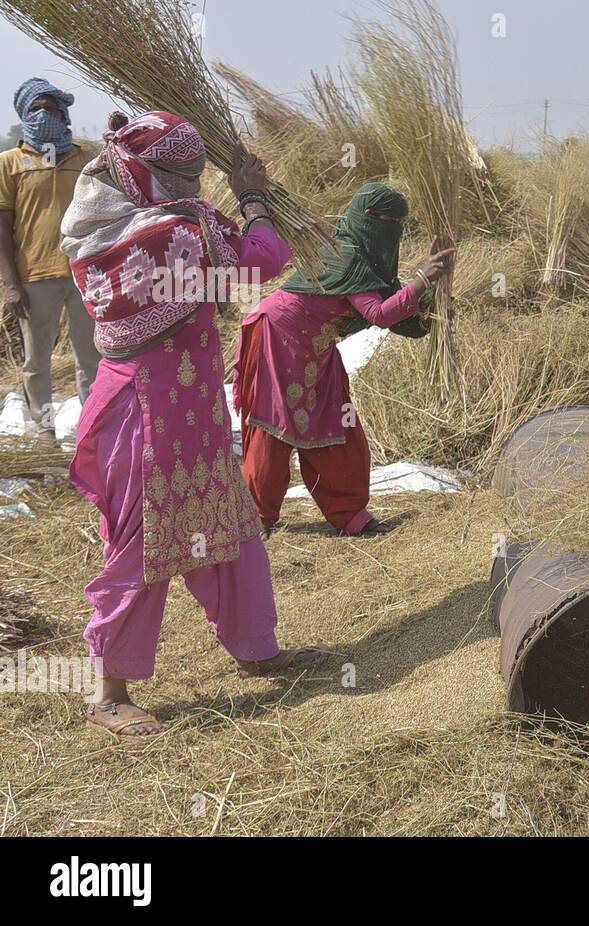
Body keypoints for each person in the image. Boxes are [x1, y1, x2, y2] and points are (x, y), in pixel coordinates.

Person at [63, 111, 319, 737]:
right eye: (178, 174)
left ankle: (257, 646)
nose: (190, 186)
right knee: (142, 542)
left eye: (195, 176)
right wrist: (252, 195)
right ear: (142, 171)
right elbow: (263, 259)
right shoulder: (176, 229)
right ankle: (107, 694)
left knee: (222, 521)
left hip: (179, 404)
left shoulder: (100, 224)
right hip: (146, 413)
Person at [234, 182, 453, 537]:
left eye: (397, 222)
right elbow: (380, 313)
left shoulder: (362, 259)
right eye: (384, 220)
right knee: (275, 423)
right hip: (278, 336)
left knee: (335, 420)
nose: (389, 229)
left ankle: (349, 512)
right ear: (363, 219)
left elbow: (392, 307)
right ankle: (260, 515)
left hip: (316, 345)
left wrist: (433, 304)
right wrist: (421, 280)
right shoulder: (346, 254)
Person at [0, 78, 99, 443]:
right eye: (36, 108)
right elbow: (2, 225)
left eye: (52, 108)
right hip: (34, 276)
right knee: (36, 362)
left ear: (64, 113)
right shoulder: (10, 163)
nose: (45, 115)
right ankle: (45, 435)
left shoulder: (84, 159)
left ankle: (93, 434)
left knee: (91, 358)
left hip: (83, 275)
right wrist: (10, 283)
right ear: (25, 115)